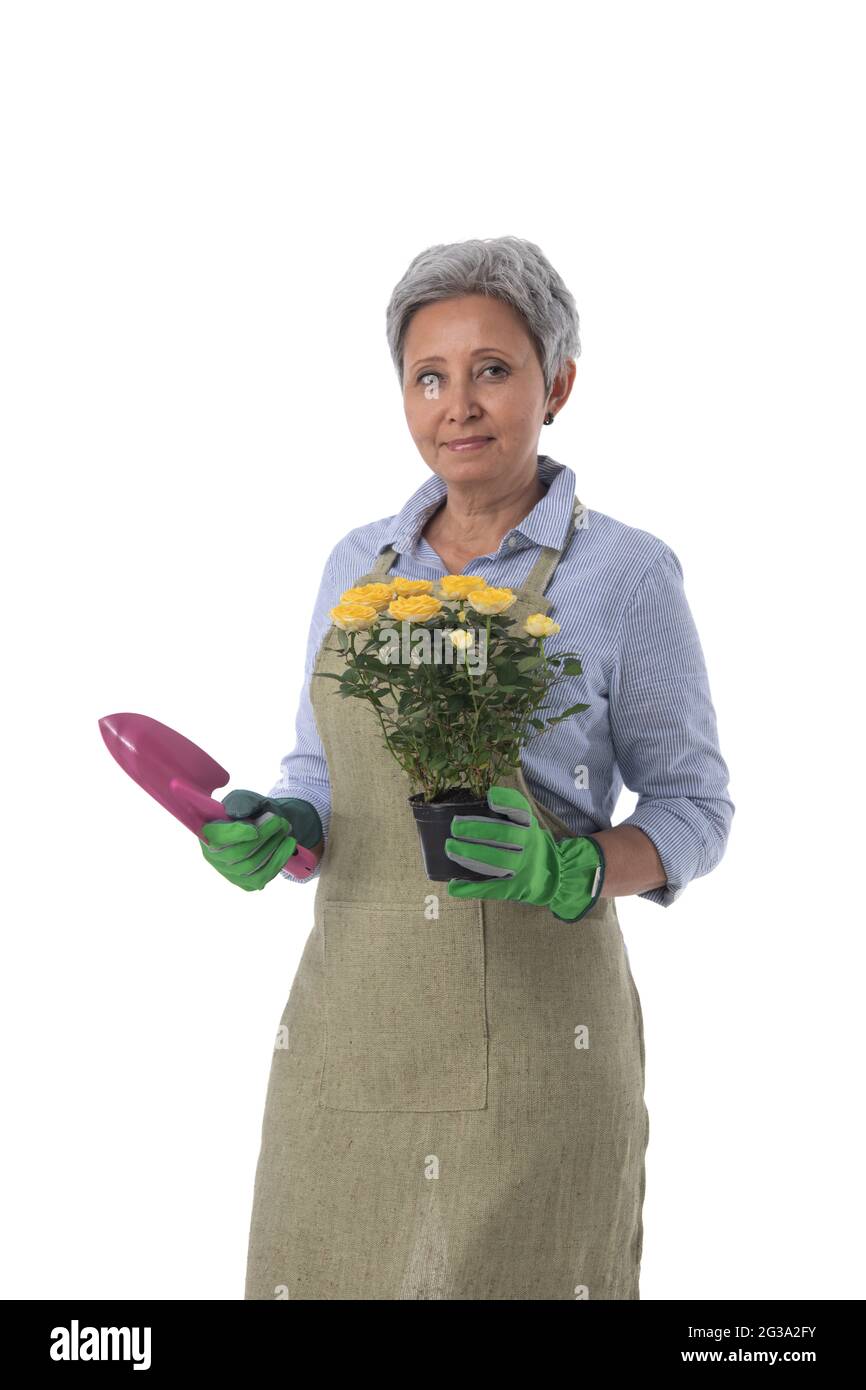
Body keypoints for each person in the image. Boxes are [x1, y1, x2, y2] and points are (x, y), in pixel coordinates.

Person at [200, 235, 735, 1300]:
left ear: (558, 383)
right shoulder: (359, 566)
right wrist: (289, 826)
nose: (459, 404)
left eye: (492, 369)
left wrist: (574, 867)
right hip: (354, 1027)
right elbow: (322, 769)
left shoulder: (624, 573)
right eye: (428, 376)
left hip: (545, 1040)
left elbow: (693, 807)